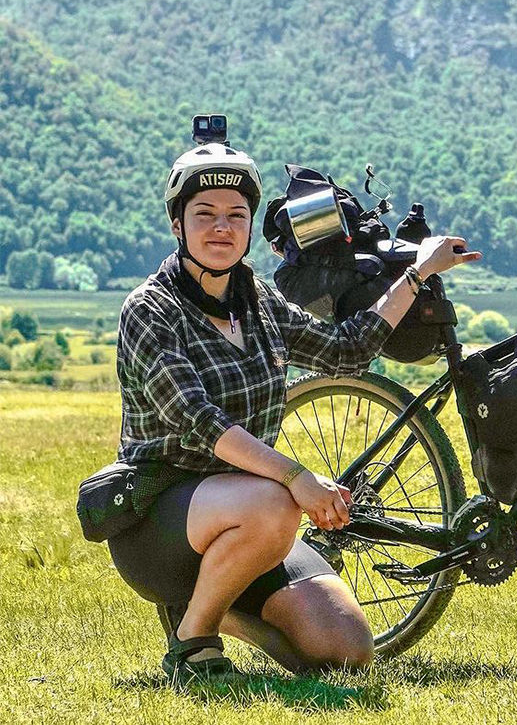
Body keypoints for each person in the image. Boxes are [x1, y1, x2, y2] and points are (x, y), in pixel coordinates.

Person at [106, 142, 481, 685]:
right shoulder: (151, 310)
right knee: (277, 501)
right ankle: (192, 644)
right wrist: (298, 479)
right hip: (159, 520)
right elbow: (203, 422)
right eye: (204, 215)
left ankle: (212, 606)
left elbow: (345, 351)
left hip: (250, 524)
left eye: (236, 215)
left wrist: (417, 274)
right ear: (176, 224)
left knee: (346, 649)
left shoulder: (255, 299)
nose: (221, 228)